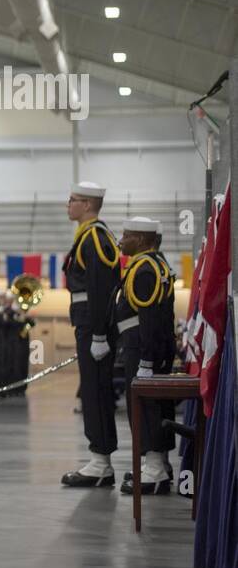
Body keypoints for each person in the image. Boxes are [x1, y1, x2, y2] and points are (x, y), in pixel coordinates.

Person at [60, 181, 121, 488]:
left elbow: (100, 289)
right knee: (94, 389)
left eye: (72, 200)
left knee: (95, 390)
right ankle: (100, 458)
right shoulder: (89, 237)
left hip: (93, 324)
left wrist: (99, 334)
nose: (66, 204)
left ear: (86, 205)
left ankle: (100, 462)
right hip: (87, 322)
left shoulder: (94, 239)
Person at [114, 217, 177, 496]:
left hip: (142, 346)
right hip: (142, 345)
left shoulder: (145, 269)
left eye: (126, 235)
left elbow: (150, 317)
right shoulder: (151, 265)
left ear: (140, 240)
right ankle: (158, 463)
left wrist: (147, 361)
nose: (120, 240)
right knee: (154, 404)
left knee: (145, 405)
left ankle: (154, 470)